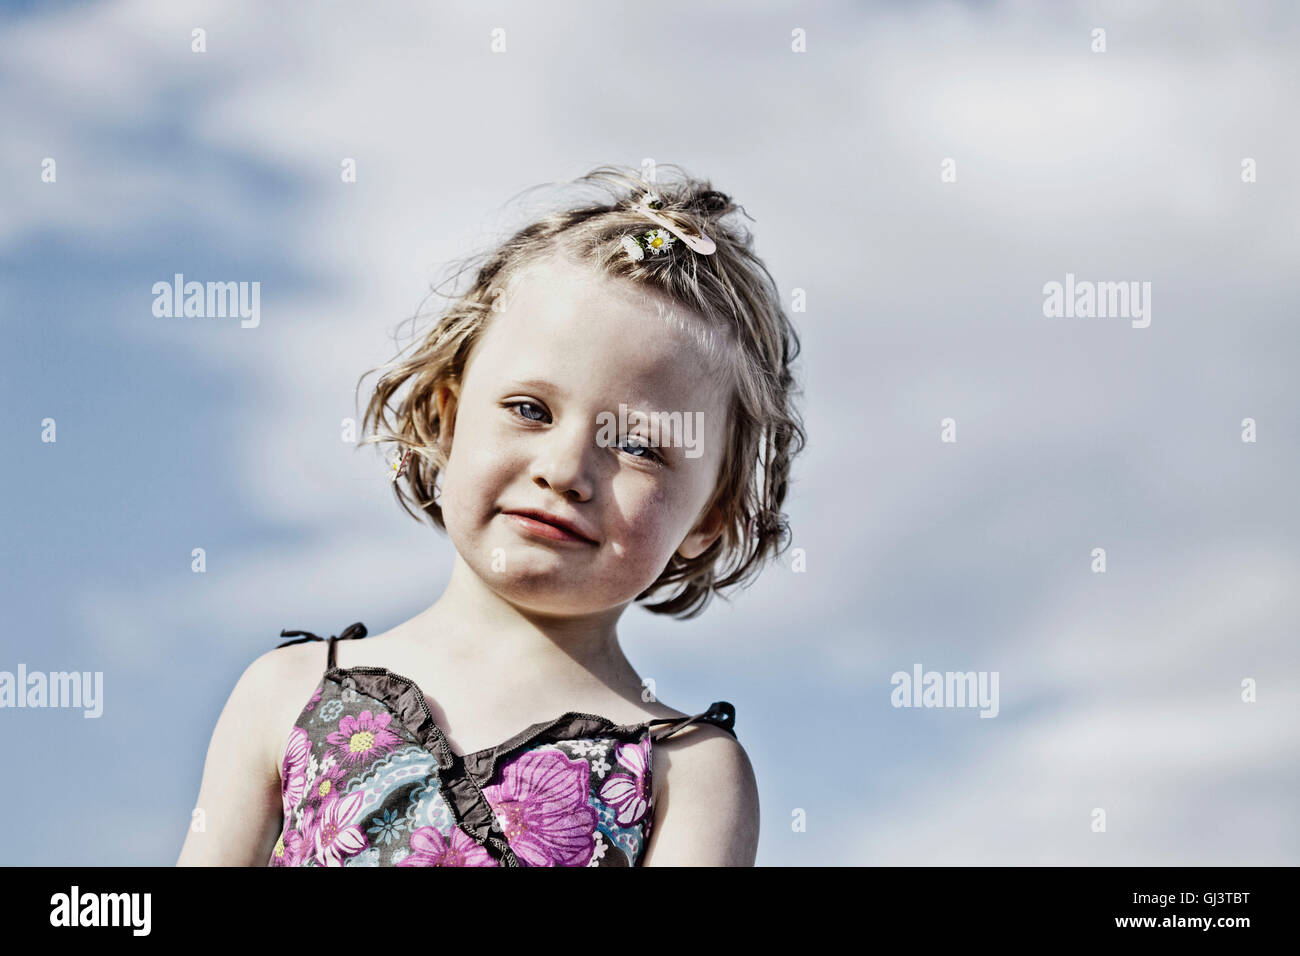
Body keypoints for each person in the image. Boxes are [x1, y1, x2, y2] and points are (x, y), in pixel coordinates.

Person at [176, 163, 806, 867]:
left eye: (638, 446)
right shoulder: (289, 690)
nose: (566, 471)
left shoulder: (687, 774)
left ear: (708, 518)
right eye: (530, 410)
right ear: (447, 421)